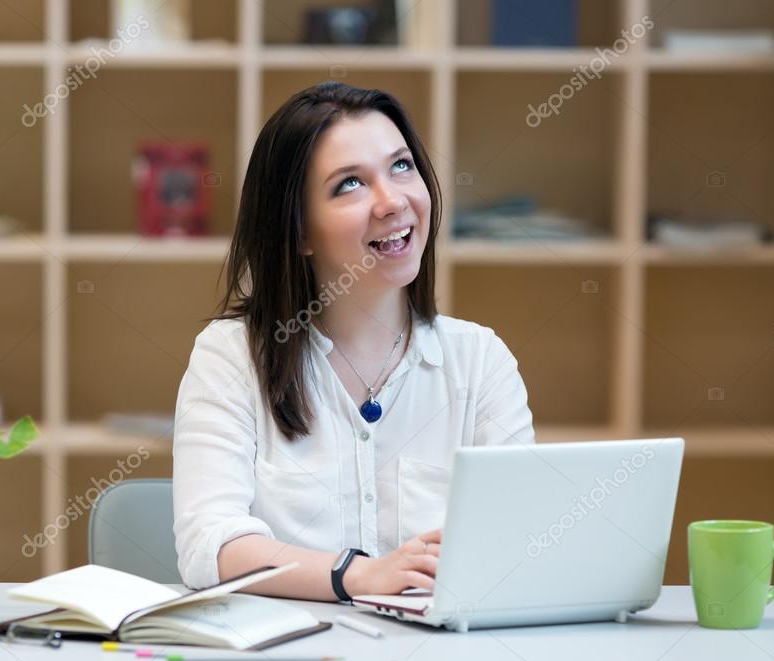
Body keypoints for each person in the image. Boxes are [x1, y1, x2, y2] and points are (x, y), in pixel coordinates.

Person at [172, 81, 535, 602]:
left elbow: (521, 539)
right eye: (349, 185)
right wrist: (357, 576)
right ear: (297, 230)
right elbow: (211, 546)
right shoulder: (231, 357)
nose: (392, 202)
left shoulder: (480, 361)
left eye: (402, 166)